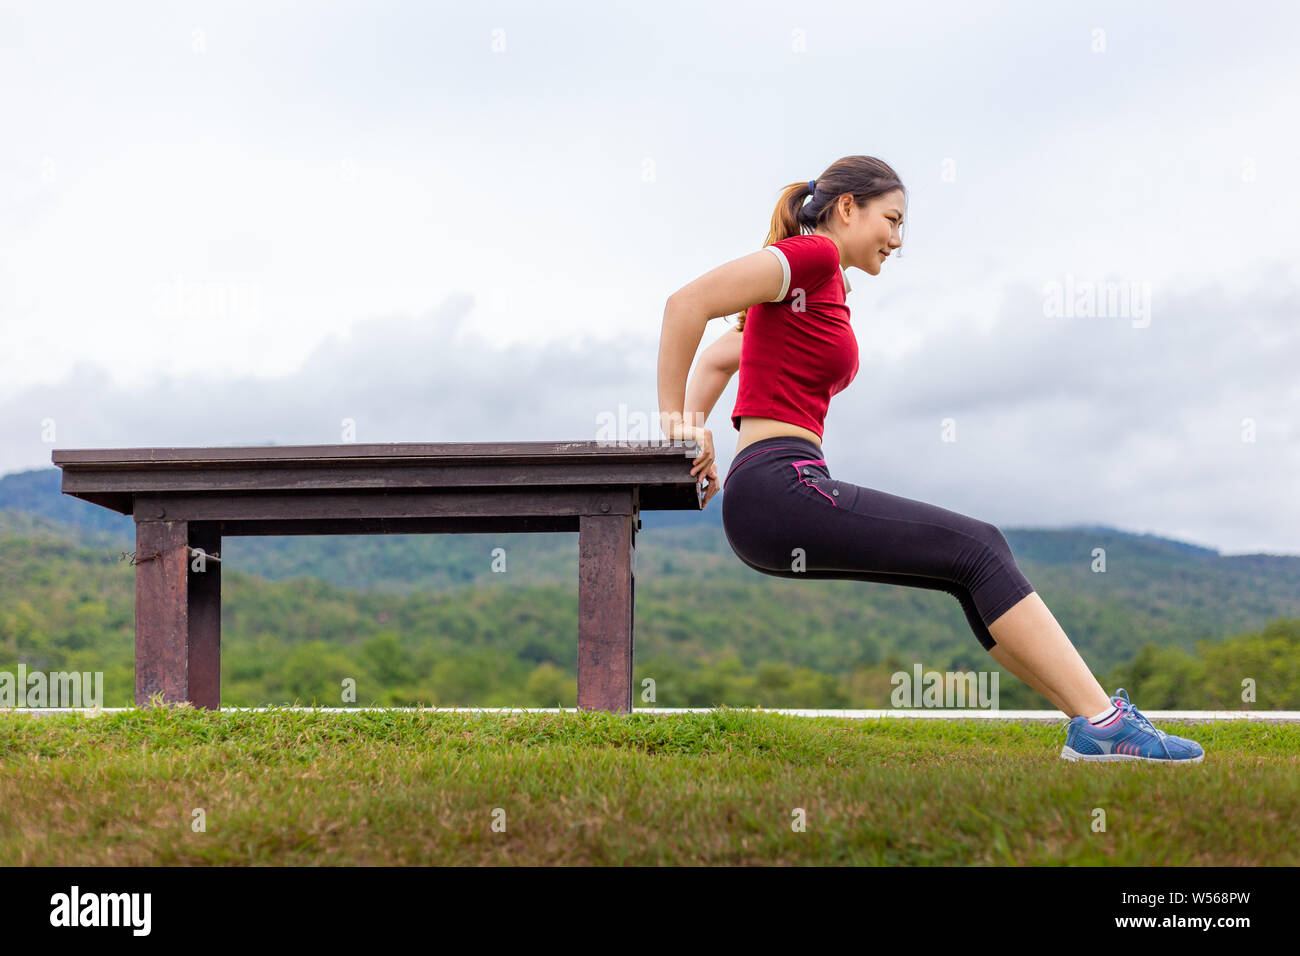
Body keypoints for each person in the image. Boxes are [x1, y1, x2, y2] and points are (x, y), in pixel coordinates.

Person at [655, 154, 1204, 763]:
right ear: (846, 209)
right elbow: (685, 305)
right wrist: (679, 428)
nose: (897, 238)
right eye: (890, 220)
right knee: (980, 545)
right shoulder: (815, 256)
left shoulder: (813, 290)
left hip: (772, 495)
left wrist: (694, 439)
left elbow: (716, 359)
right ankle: (1105, 723)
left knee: (966, 567)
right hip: (781, 487)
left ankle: (1092, 725)